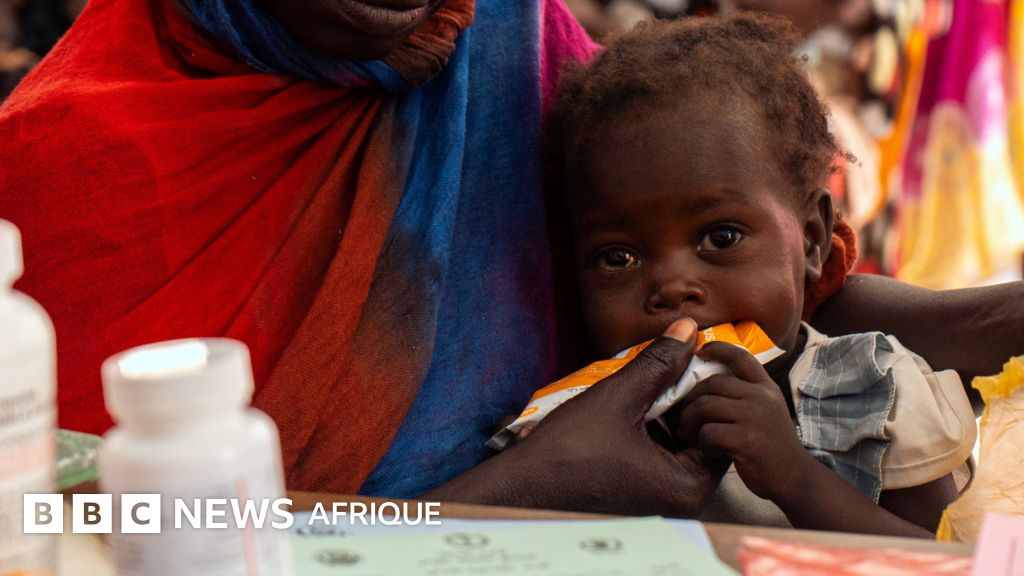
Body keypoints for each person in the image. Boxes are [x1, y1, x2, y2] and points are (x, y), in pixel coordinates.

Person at [0, 0, 1019, 516]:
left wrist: (992, 318)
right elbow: (110, 541)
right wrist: (522, 491)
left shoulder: (503, 40)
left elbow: (752, 295)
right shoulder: (65, 170)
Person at [537, 14, 974, 535]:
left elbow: (947, 561)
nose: (672, 287)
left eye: (721, 238)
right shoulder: (593, 418)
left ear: (811, 239)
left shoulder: (873, 389)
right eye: (617, 258)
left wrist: (794, 477)